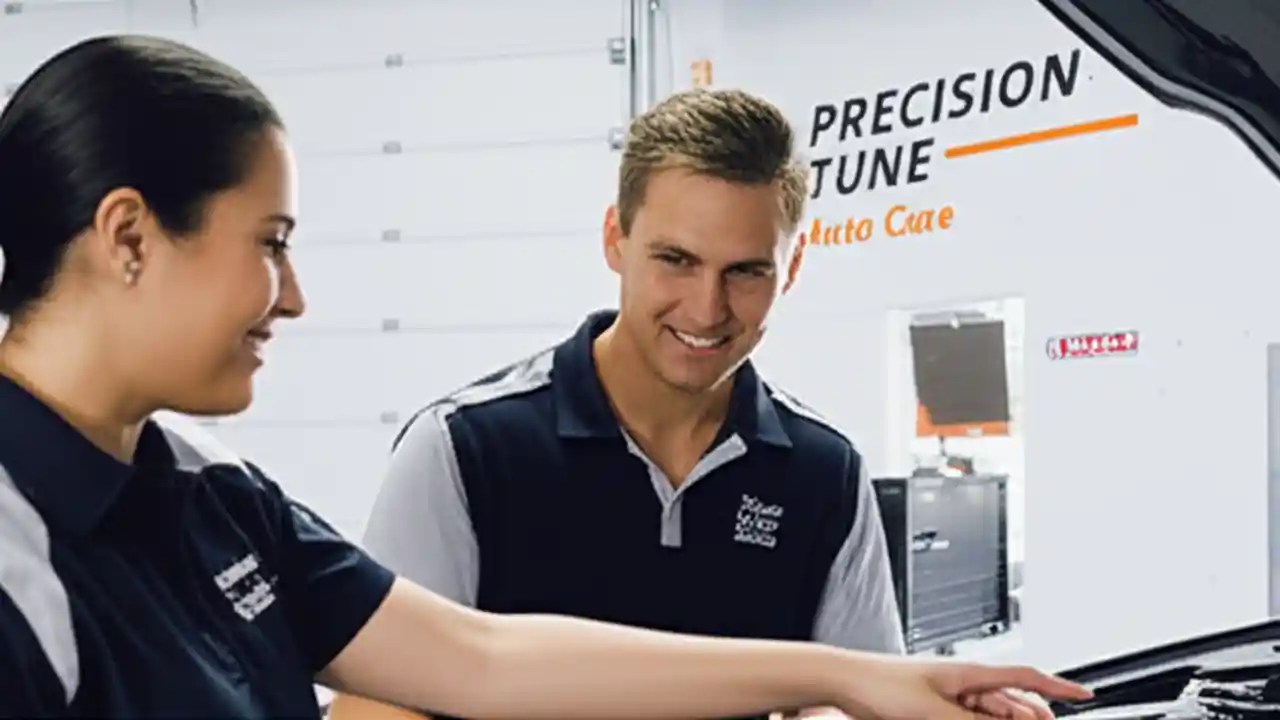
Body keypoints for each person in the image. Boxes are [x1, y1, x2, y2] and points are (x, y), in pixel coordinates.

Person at [0, 34, 1092, 720]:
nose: (293, 298)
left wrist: (853, 678)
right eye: (272, 242)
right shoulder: (18, 563)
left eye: (746, 271)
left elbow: (481, 660)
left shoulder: (213, 495)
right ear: (130, 237)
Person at [332, 88, 909, 720]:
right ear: (615, 238)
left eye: (746, 272)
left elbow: (861, 700)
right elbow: (378, 711)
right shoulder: (462, 450)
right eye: (676, 260)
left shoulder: (827, 475)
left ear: (792, 266)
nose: (706, 308)